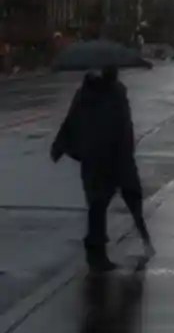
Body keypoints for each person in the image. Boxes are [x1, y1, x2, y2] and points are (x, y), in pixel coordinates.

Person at [51, 67, 154, 271]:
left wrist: (60, 145)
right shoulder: (113, 92)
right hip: (112, 157)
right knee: (122, 199)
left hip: (98, 157)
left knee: (100, 204)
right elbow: (124, 125)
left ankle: (100, 251)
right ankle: (134, 242)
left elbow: (72, 121)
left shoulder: (89, 93)